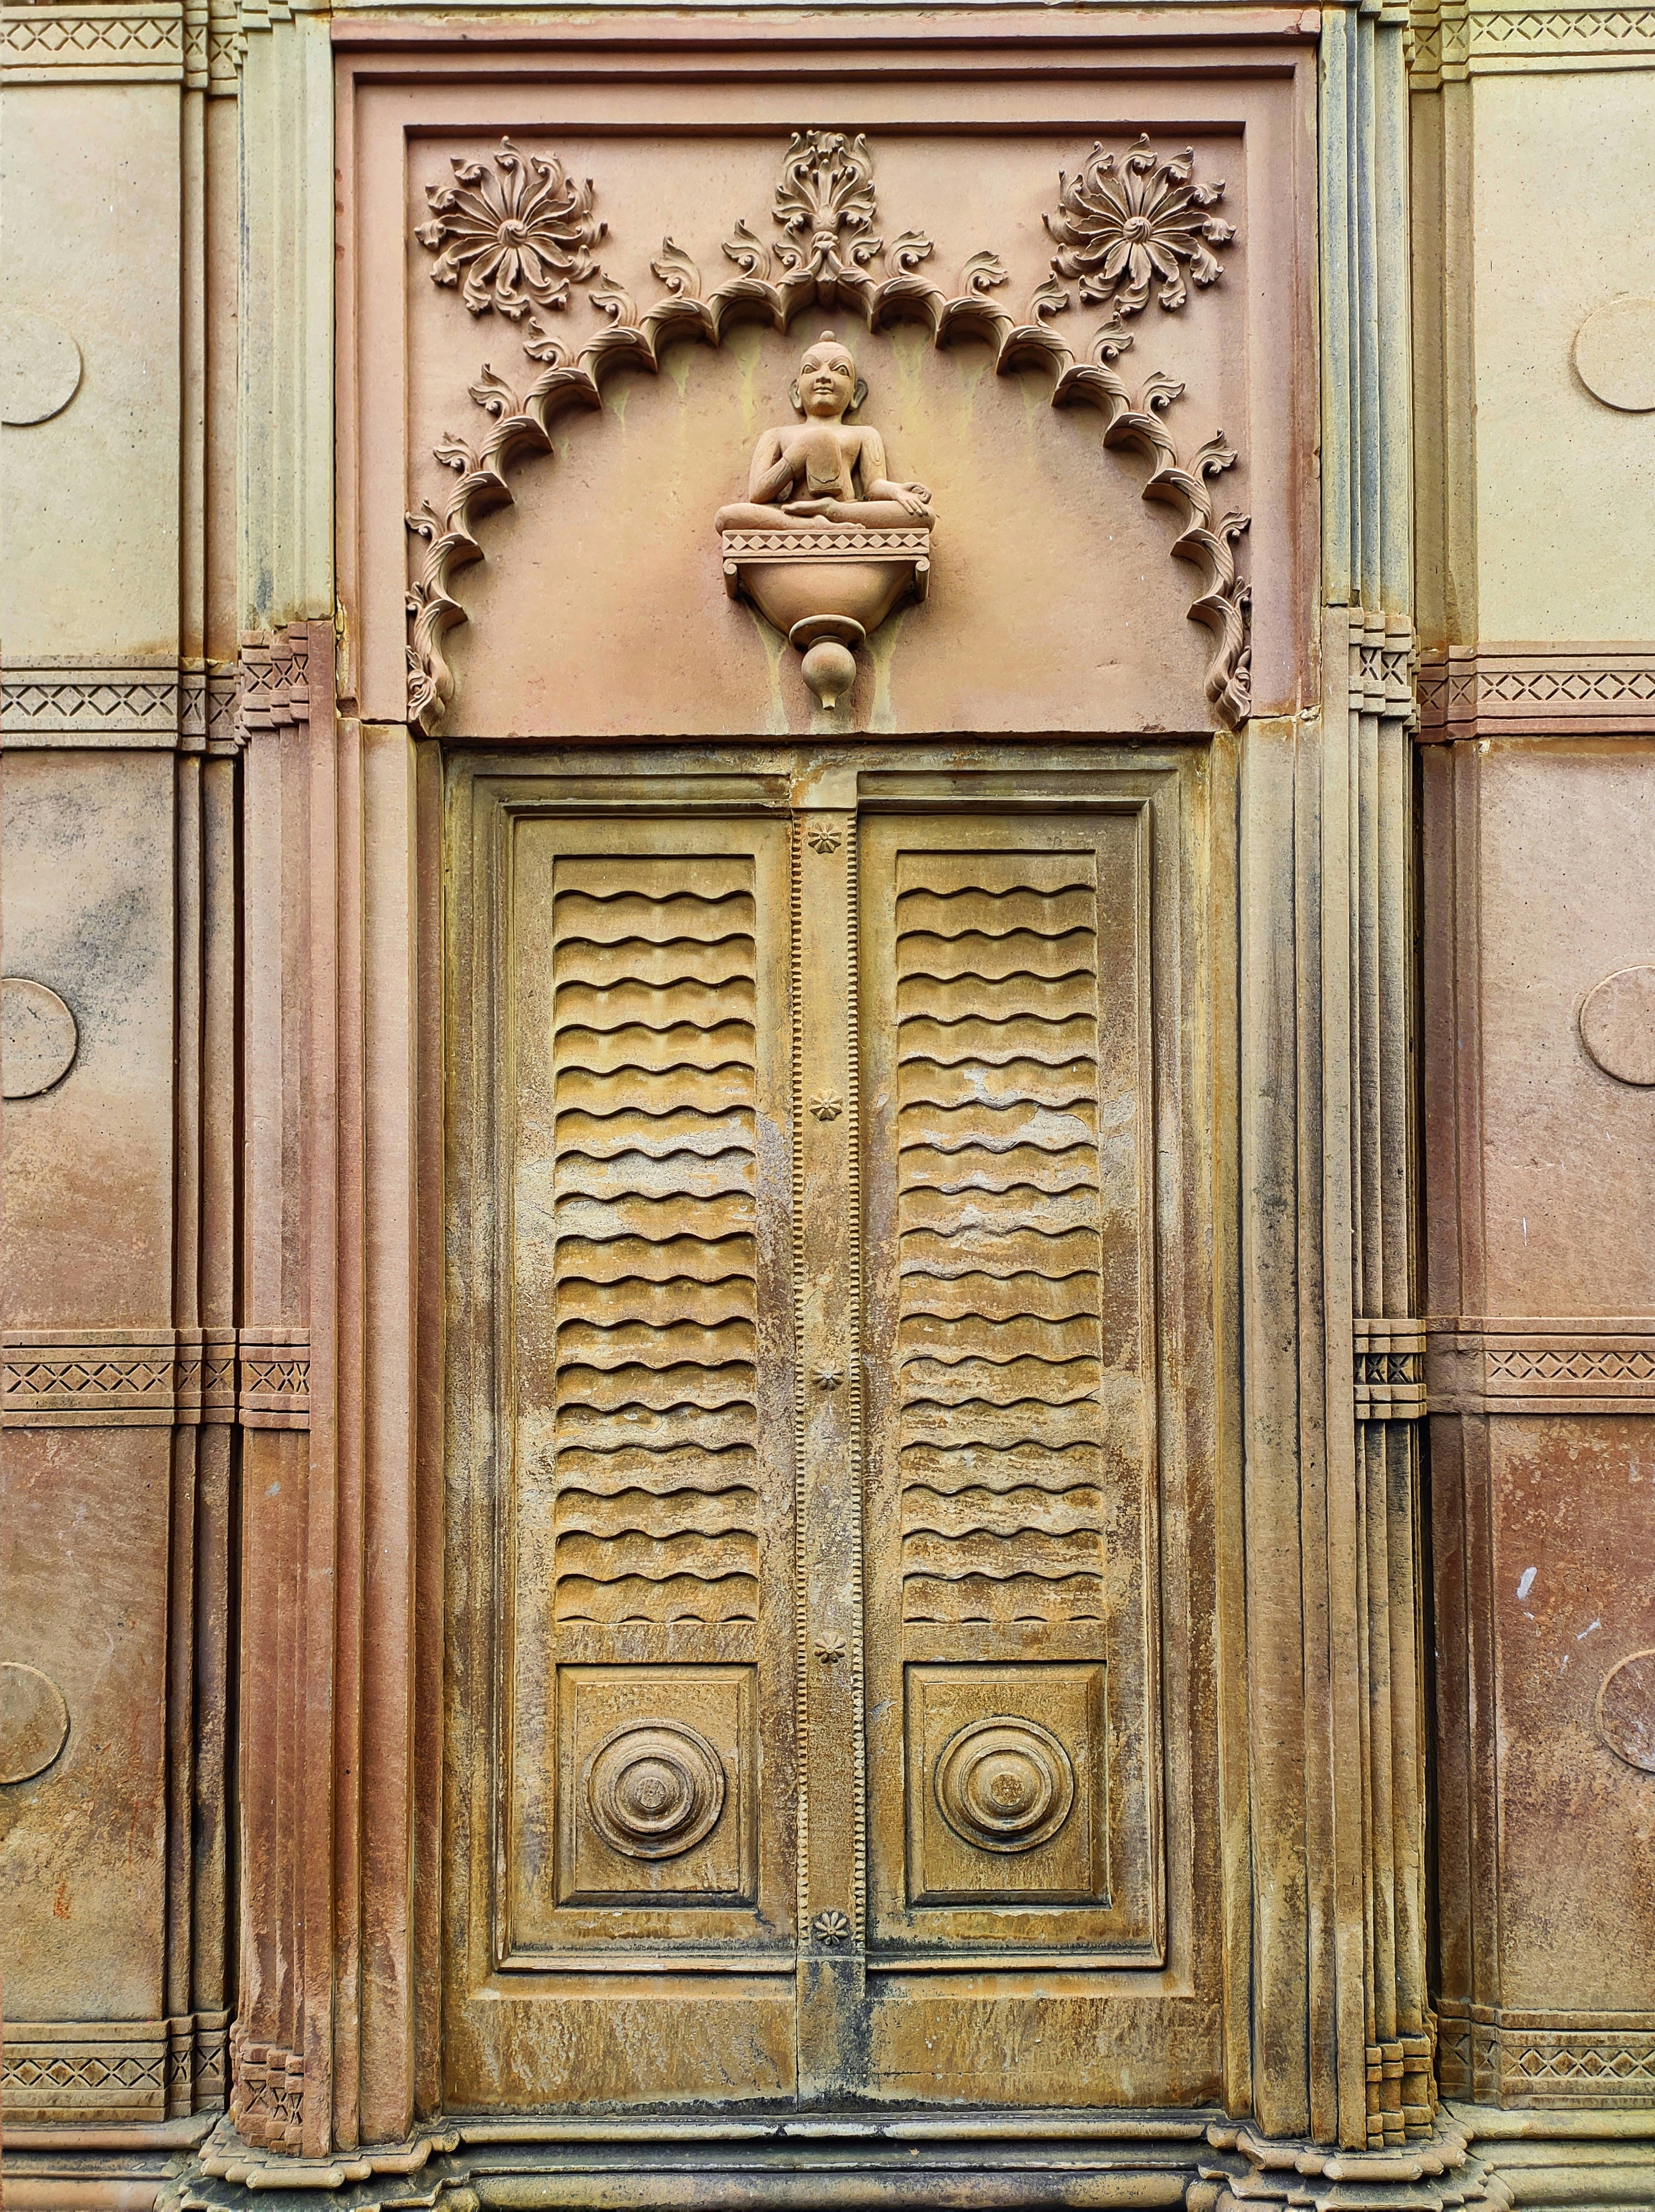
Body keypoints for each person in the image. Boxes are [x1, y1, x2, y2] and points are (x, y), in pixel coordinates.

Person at [715, 330, 934, 533]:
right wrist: (802, 450)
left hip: (845, 507)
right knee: (727, 517)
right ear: (796, 392)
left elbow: (873, 487)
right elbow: (757, 494)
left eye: (840, 370)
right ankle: (812, 522)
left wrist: (897, 491)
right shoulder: (777, 435)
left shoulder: (864, 435)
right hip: (792, 510)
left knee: (923, 516)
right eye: (811, 369)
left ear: (856, 394)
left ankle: (829, 510)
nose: (824, 377)